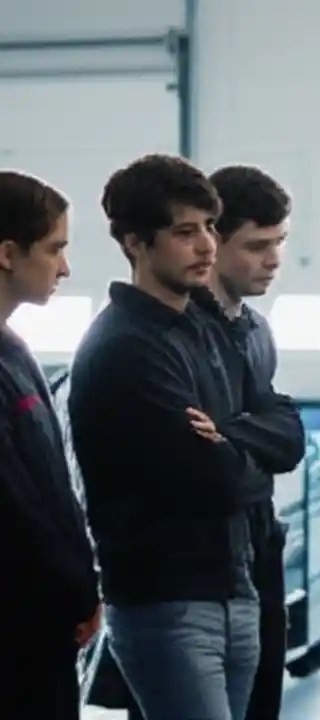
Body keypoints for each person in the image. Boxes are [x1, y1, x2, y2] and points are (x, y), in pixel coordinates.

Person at [68, 154, 261, 720]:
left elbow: (279, 425)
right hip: (167, 602)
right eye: (184, 232)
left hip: (232, 585)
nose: (206, 245)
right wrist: (245, 449)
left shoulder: (203, 328)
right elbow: (212, 478)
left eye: (209, 227)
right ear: (135, 243)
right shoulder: (125, 348)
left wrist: (233, 440)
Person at [198, 164, 306, 720]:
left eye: (280, 243)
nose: (274, 259)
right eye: (257, 245)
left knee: (264, 698)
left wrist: (234, 429)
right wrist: (254, 433)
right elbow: (202, 455)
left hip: (261, 543)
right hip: (202, 558)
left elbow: (289, 437)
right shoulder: (182, 333)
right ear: (211, 241)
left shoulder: (258, 331)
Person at [0, 171, 101, 719]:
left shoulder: (16, 353)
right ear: (8, 254)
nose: (64, 268)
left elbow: (54, 486)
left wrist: (82, 588)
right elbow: (18, 503)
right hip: (16, 621)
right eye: (55, 249)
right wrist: (71, 589)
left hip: (46, 619)